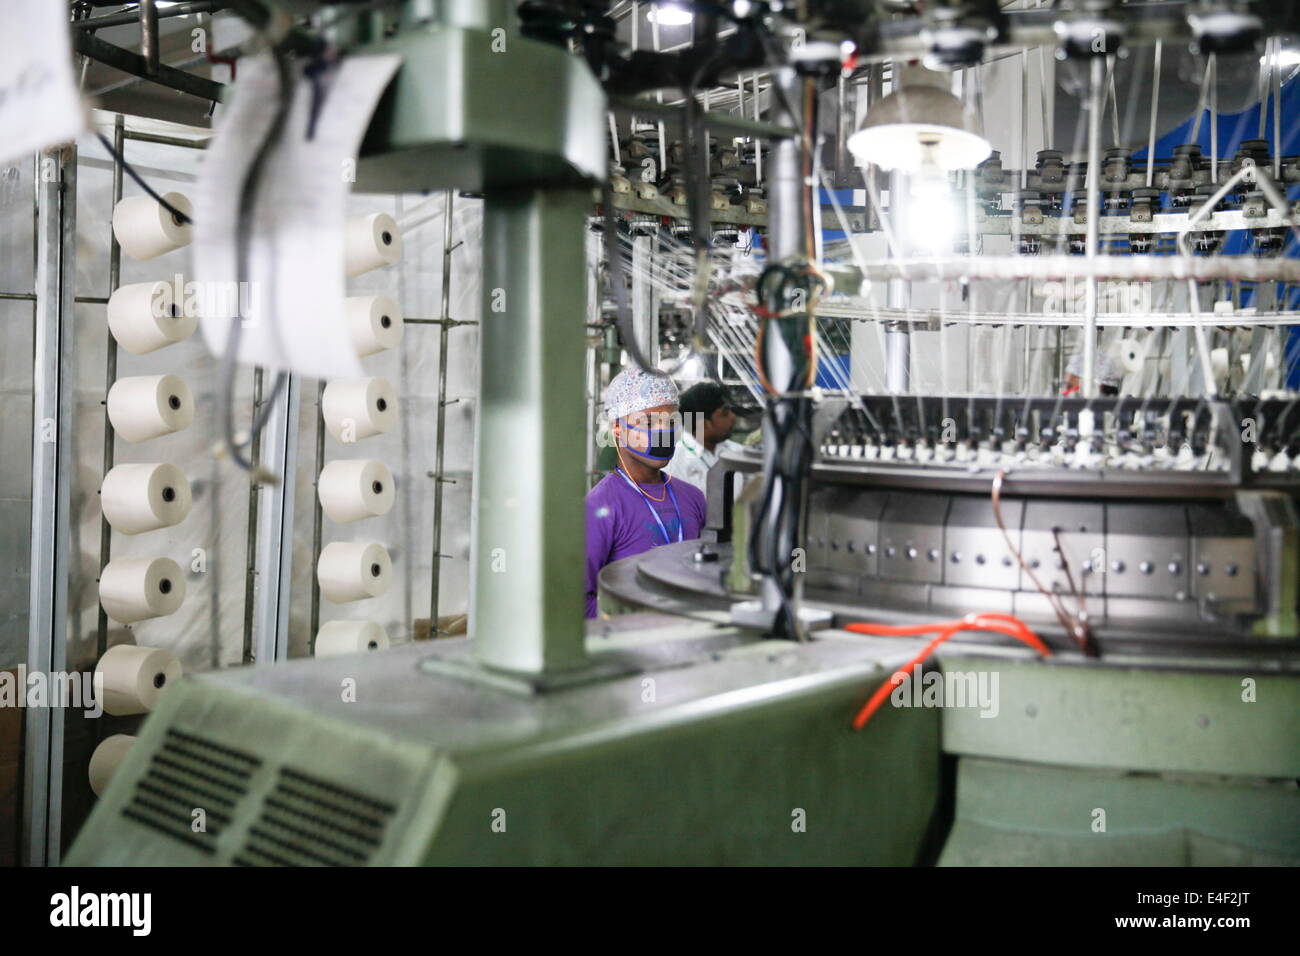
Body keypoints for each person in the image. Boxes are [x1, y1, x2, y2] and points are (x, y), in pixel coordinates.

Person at [585, 368, 707, 619]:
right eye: (649, 422)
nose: (665, 432)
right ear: (617, 428)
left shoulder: (693, 498)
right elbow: (576, 601)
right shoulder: (599, 508)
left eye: (671, 421)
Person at [665, 381, 744, 494]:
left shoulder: (737, 452)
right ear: (703, 423)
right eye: (725, 413)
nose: (733, 416)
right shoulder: (674, 463)